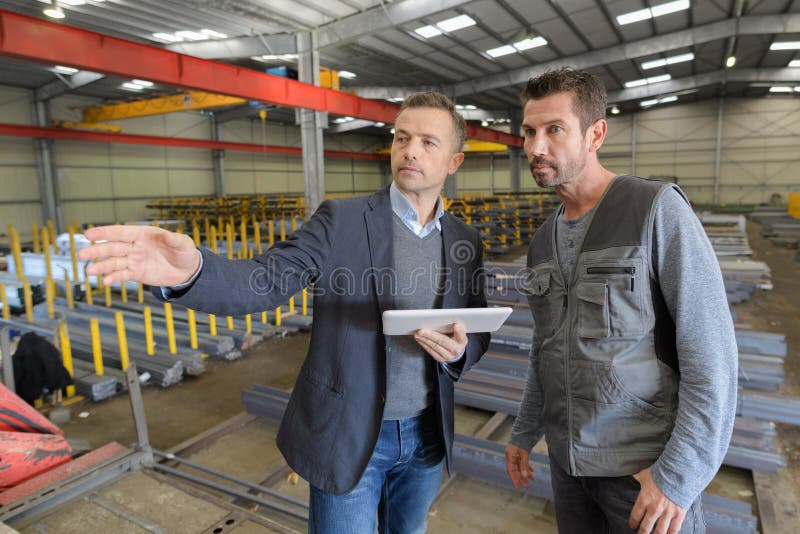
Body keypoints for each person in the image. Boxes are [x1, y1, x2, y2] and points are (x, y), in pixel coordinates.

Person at [78, 92, 490, 533]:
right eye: (402, 137)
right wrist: (193, 271)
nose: (410, 150)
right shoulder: (343, 220)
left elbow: (476, 326)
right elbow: (266, 279)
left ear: (454, 162)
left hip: (427, 434)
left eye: (429, 142)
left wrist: (461, 350)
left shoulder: (464, 241)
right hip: (349, 436)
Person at [504, 68, 737, 534]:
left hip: (642, 474)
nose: (535, 148)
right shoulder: (543, 241)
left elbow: (712, 356)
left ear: (596, 134)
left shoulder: (653, 210)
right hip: (569, 469)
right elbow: (545, 348)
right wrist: (525, 430)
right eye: (529, 132)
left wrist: (677, 477)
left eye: (554, 130)